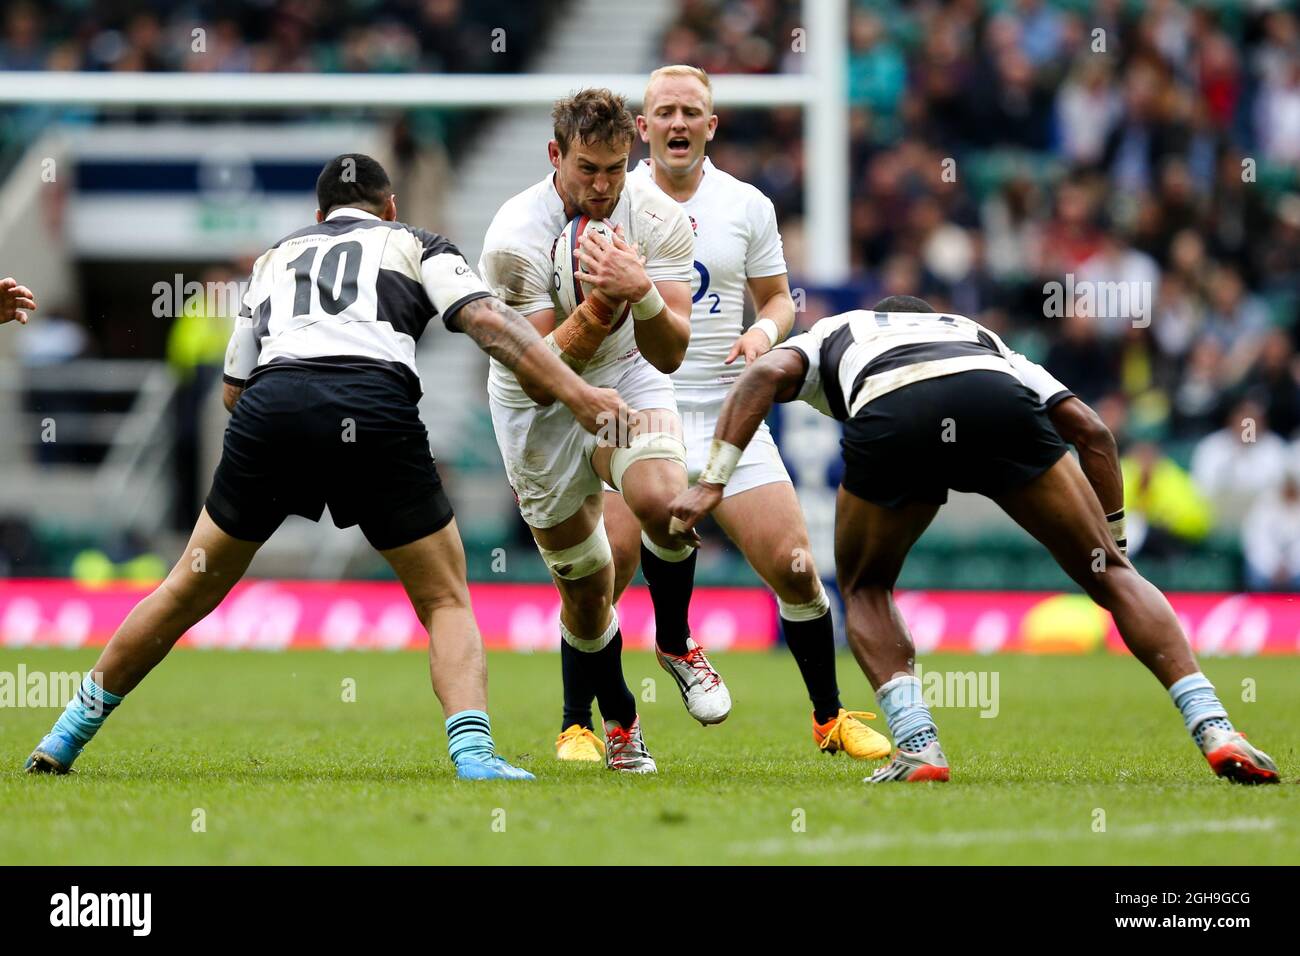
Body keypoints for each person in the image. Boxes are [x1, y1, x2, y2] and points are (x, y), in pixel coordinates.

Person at [25, 154, 629, 781]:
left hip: (272, 408)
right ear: (390, 207)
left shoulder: (273, 258)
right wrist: (579, 395)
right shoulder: (415, 243)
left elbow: (233, 388)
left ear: (318, 217)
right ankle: (475, 757)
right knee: (445, 600)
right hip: (373, 407)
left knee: (185, 587)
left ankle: (65, 734)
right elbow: (485, 321)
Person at [670, 295, 1279, 785]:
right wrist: (1111, 540)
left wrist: (712, 483)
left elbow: (762, 373)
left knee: (866, 586)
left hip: (894, 411)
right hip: (994, 397)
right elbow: (1092, 431)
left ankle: (917, 746)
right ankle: (1216, 728)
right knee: (1113, 578)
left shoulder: (837, 329)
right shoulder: (976, 333)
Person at [563, 64, 890, 763]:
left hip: (726, 408)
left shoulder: (747, 205)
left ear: (711, 126)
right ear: (642, 127)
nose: (678, 123)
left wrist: (764, 334)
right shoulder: (609, 198)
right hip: (638, 403)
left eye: (692, 112)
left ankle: (828, 719)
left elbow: (778, 297)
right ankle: (582, 724)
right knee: (604, 571)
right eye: (664, 112)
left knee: (798, 566)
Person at [478, 88, 702, 773]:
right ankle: (621, 724)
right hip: (535, 403)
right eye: (586, 169)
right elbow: (539, 367)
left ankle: (676, 642)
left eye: (615, 167)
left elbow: (670, 353)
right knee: (585, 588)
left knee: (667, 505)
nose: (602, 186)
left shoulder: (659, 217)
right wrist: (606, 302)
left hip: (630, 375)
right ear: (556, 156)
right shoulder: (514, 239)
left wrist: (641, 292)